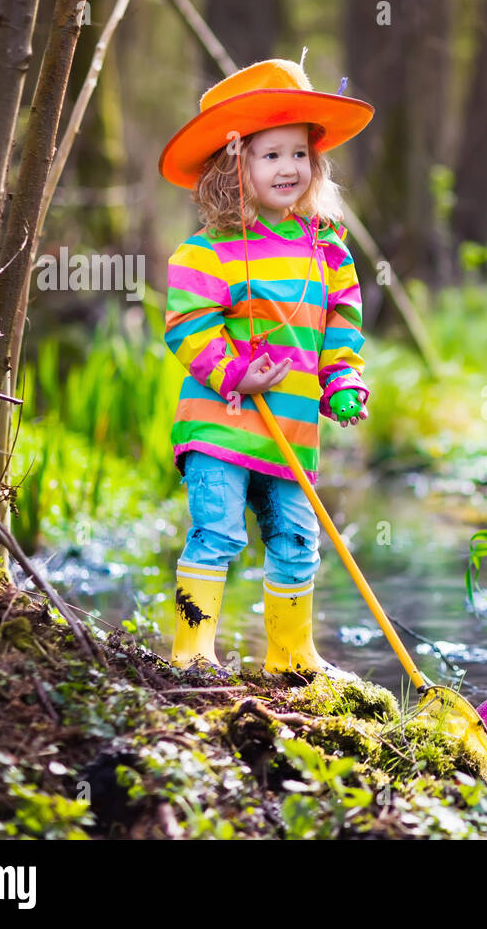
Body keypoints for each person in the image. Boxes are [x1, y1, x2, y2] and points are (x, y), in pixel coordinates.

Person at [157, 57, 374, 681]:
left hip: (293, 424)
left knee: (296, 540)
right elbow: (188, 324)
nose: (289, 168)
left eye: (299, 154)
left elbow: (340, 325)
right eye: (270, 155)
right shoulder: (207, 251)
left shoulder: (326, 250)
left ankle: (290, 655)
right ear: (235, 166)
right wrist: (233, 371)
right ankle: (193, 649)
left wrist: (342, 381)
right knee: (217, 530)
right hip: (222, 420)